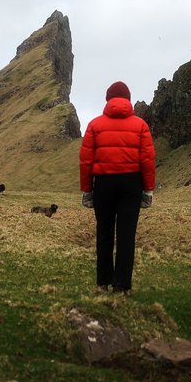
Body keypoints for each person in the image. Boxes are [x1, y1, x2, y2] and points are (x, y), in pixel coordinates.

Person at [79, 81, 156, 296]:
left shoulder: (95, 125)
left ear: (107, 99)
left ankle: (103, 283)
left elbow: (85, 160)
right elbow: (148, 159)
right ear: (128, 100)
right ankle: (122, 285)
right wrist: (148, 189)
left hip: (103, 184)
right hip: (131, 184)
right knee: (126, 234)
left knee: (104, 232)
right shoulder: (140, 125)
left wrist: (87, 190)